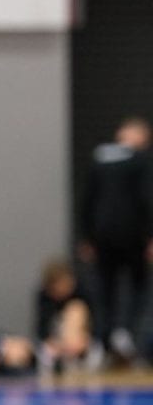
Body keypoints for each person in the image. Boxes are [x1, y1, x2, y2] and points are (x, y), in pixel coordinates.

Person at [78, 115, 153, 365]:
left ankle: (103, 338)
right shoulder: (139, 160)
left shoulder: (100, 158)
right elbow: (147, 198)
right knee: (138, 286)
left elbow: (87, 199)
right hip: (131, 235)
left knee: (105, 290)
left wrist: (86, 236)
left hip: (102, 236)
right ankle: (123, 331)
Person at [36, 258, 99, 373]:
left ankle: (75, 359)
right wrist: (54, 343)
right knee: (46, 353)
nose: (62, 289)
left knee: (75, 310)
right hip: (57, 345)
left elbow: (97, 322)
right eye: (57, 286)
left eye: (65, 283)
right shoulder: (45, 298)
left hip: (81, 343)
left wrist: (84, 340)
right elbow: (42, 327)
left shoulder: (83, 294)